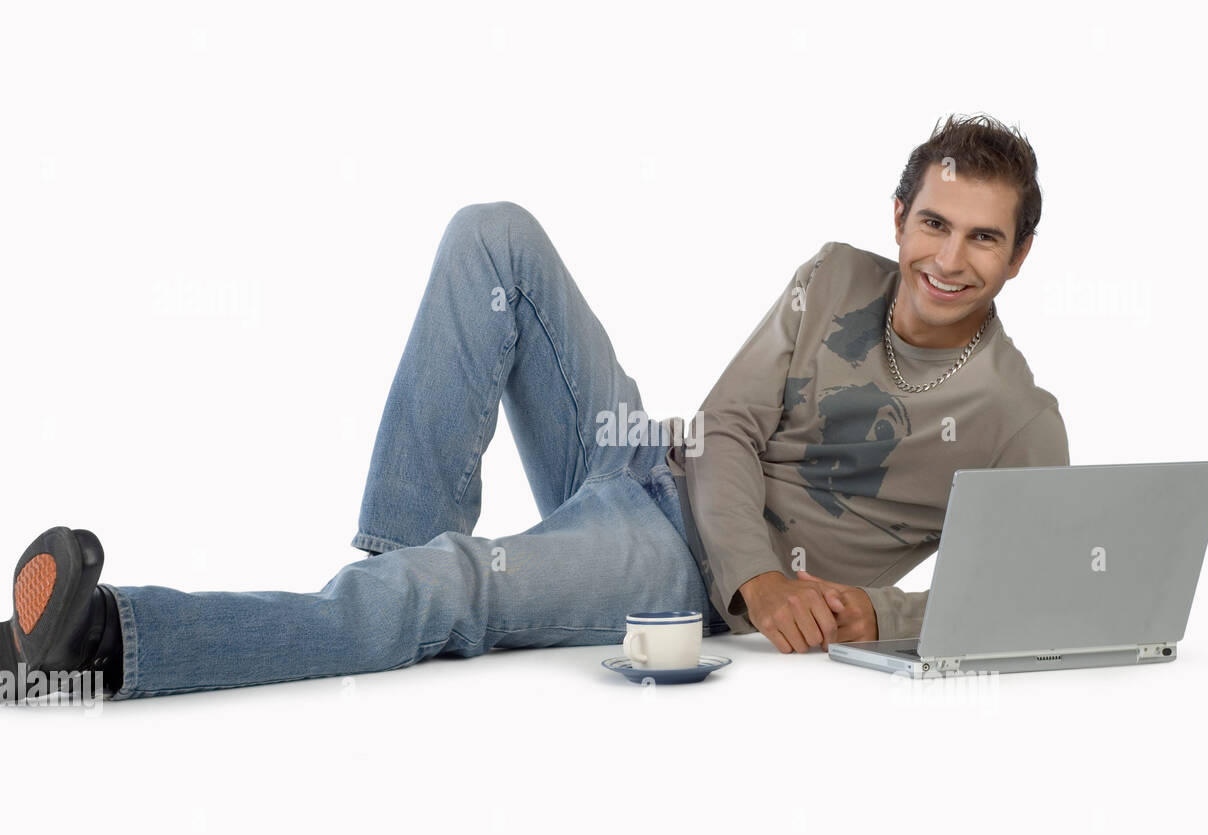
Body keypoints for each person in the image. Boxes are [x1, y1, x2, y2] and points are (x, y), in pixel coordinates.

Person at [2, 113, 1067, 702]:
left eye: (982, 238)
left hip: (671, 564)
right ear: (899, 216)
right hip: (648, 461)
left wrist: (871, 610)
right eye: (934, 223)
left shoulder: (1020, 417)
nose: (948, 256)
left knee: (454, 584)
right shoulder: (834, 274)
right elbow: (731, 424)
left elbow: (1024, 600)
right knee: (493, 233)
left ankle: (104, 638)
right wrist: (755, 563)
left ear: (1018, 255)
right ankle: (392, 583)